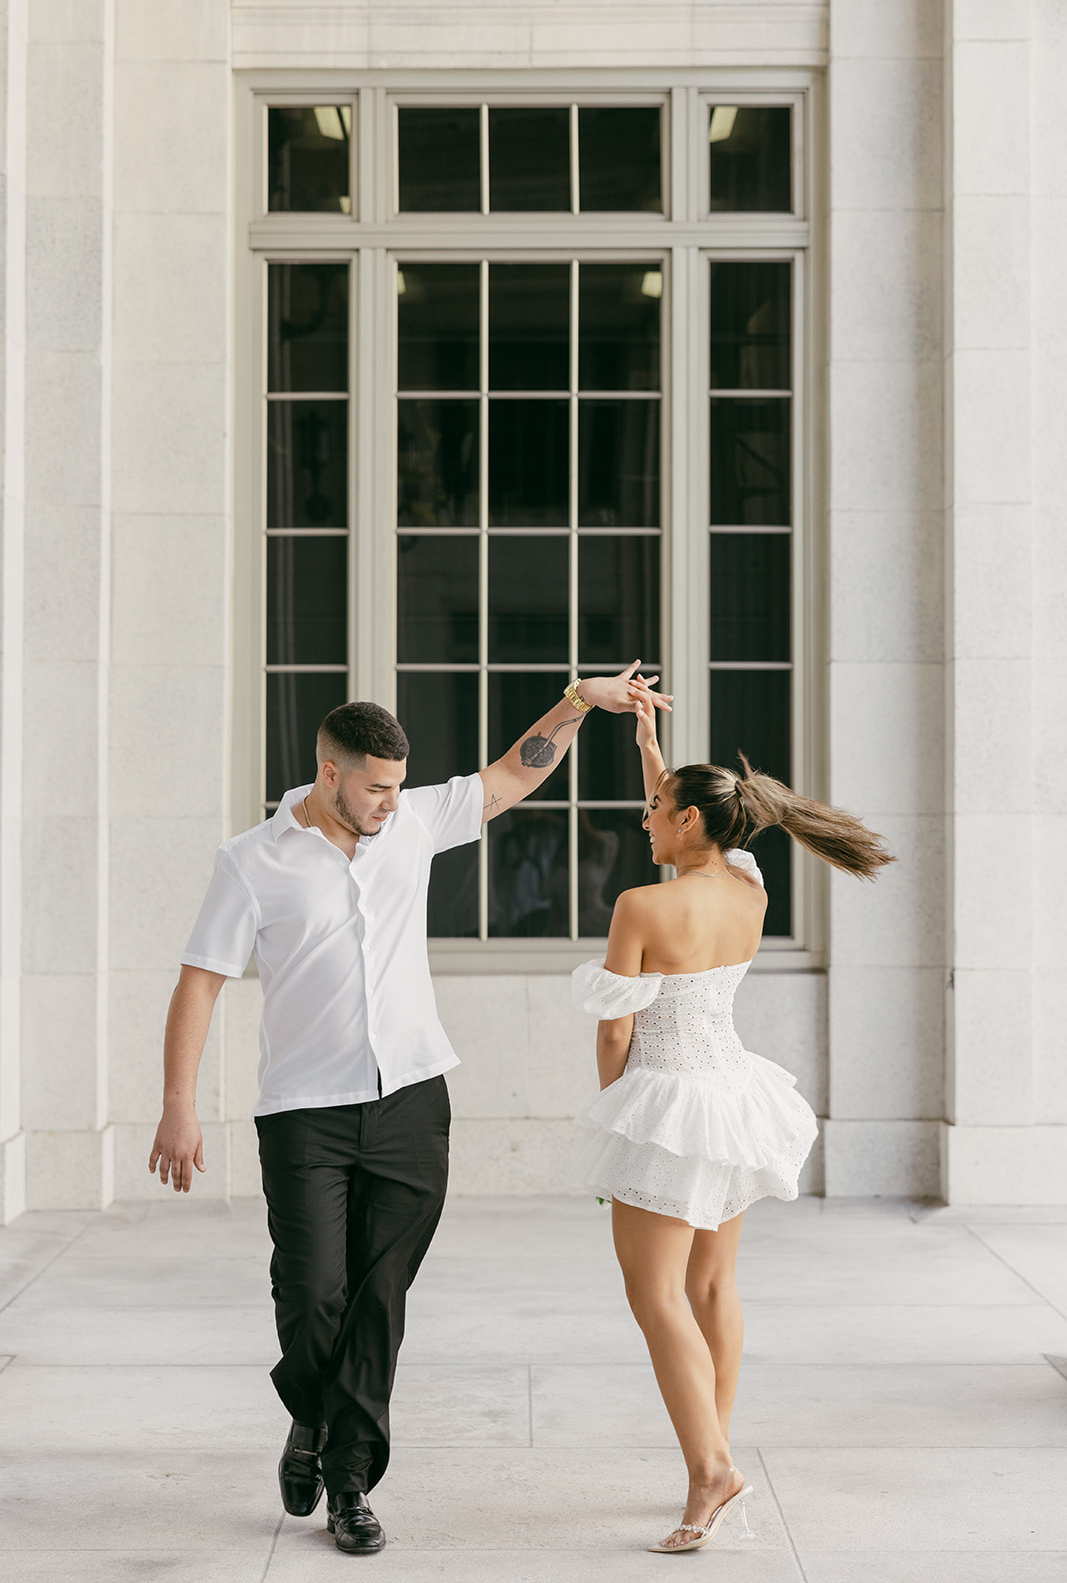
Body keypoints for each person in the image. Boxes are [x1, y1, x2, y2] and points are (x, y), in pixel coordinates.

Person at [148, 663, 670, 1557]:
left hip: (413, 1103)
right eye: (376, 788)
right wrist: (176, 1106)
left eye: (399, 786)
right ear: (330, 774)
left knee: (378, 1298)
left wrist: (579, 702)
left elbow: (509, 777)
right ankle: (313, 1417)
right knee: (312, 1293)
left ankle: (348, 1481)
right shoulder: (250, 862)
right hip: (304, 1113)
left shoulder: (413, 820)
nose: (392, 803)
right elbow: (199, 983)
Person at [570, 685, 893, 1554]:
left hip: (667, 1104)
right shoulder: (747, 885)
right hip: (735, 1101)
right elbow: (698, 829)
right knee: (711, 1288)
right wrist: (649, 749)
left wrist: (616, 1120)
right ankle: (708, 1458)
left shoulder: (641, 907)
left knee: (653, 1295)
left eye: (654, 809)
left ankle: (711, 1469)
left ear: (685, 821)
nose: (643, 819)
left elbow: (616, 1030)